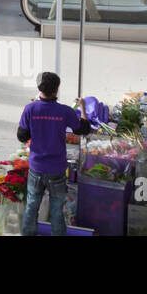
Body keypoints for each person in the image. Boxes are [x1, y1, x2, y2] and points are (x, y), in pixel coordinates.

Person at [18, 71, 93, 235]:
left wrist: (36, 127)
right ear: (56, 90)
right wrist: (83, 107)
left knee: (31, 205)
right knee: (57, 210)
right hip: (57, 169)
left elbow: (21, 136)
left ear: (39, 88)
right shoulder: (64, 111)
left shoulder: (30, 109)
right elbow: (84, 129)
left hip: (36, 167)